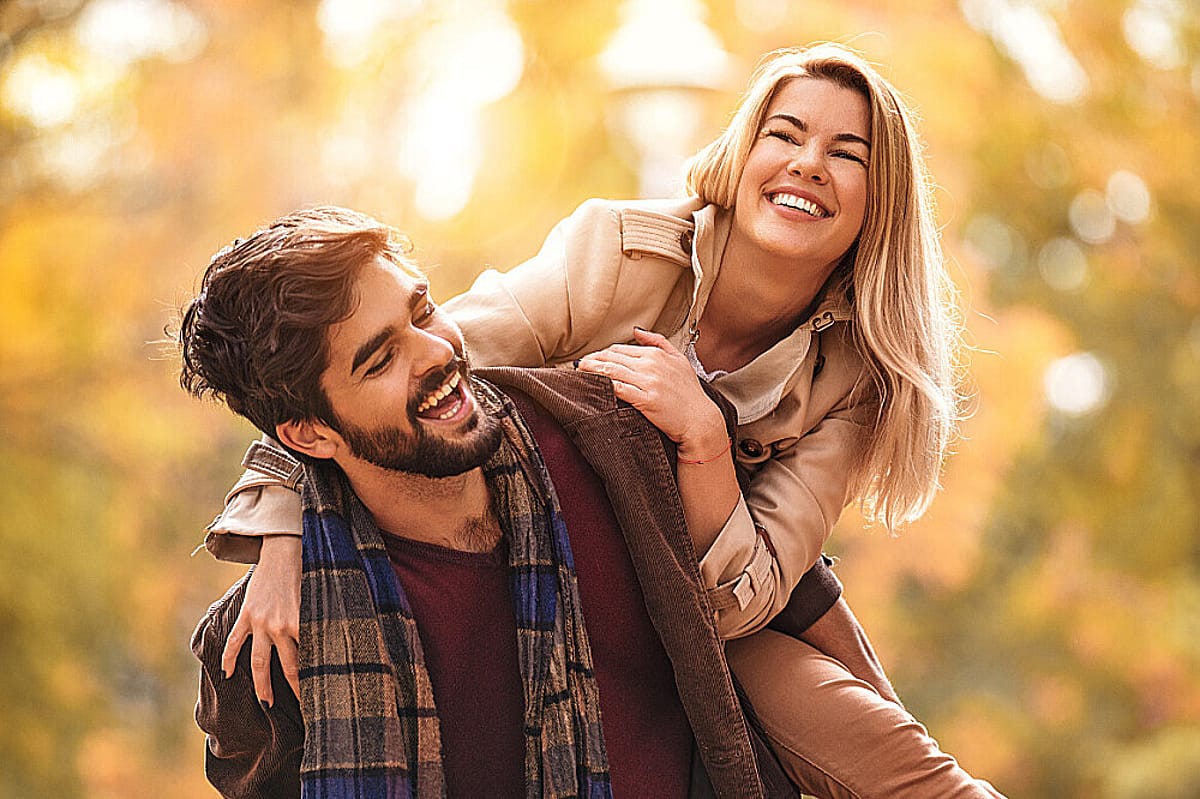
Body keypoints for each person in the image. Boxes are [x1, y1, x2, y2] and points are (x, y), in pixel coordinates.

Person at [202, 43, 1005, 798]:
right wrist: (281, 537)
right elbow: (410, 371)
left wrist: (705, 440)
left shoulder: (862, 374)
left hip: (737, 583)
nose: (808, 163)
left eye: (846, 153)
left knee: (901, 754)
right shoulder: (620, 252)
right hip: (602, 522)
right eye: (785, 134)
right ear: (743, 150)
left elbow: (748, 595)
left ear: (880, 198)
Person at [181, 206, 809, 797]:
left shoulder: (613, 438)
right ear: (309, 434)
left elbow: (794, 590)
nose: (436, 352)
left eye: (423, 313)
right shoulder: (267, 651)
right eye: (381, 361)